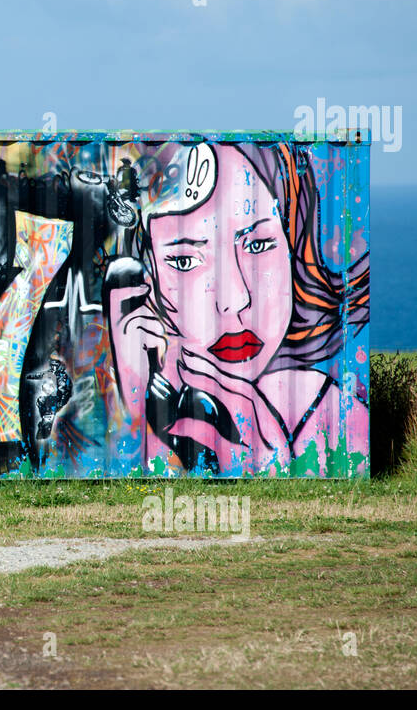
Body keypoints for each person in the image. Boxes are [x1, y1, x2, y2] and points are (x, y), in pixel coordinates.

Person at [106, 143, 368, 476]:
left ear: (294, 244)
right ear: (148, 272)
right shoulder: (161, 400)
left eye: (257, 245)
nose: (235, 300)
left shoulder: (336, 414)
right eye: (185, 261)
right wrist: (132, 398)